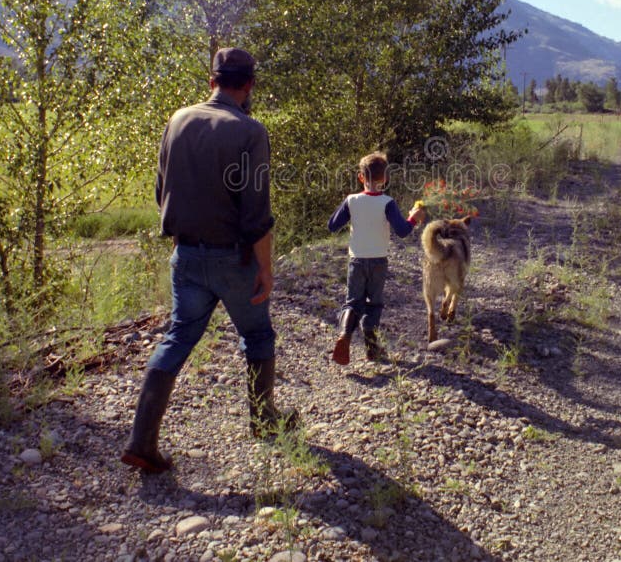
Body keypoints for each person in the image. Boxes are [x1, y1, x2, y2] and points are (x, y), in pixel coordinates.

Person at [121, 48, 298, 474]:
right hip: (232, 258)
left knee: (178, 337)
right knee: (257, 336)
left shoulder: (178, 119)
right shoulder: (249, 131)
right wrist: (266, 270)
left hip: (185, 254)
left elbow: (161, 188)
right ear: (249, 84)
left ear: (211, 80)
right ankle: (264, 422)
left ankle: (141, 441)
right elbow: (257, 212)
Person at [328, 152, 425, 364]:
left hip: (357, 260)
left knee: (352, 302)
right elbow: (402, 231)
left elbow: (332, 226)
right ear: (385, 178)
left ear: (361, 177)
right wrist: (414, 218)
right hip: (379, 260)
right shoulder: (387, 202)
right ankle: (372, 349)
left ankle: (345, 334)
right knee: (374, 304)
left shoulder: (351, 200)